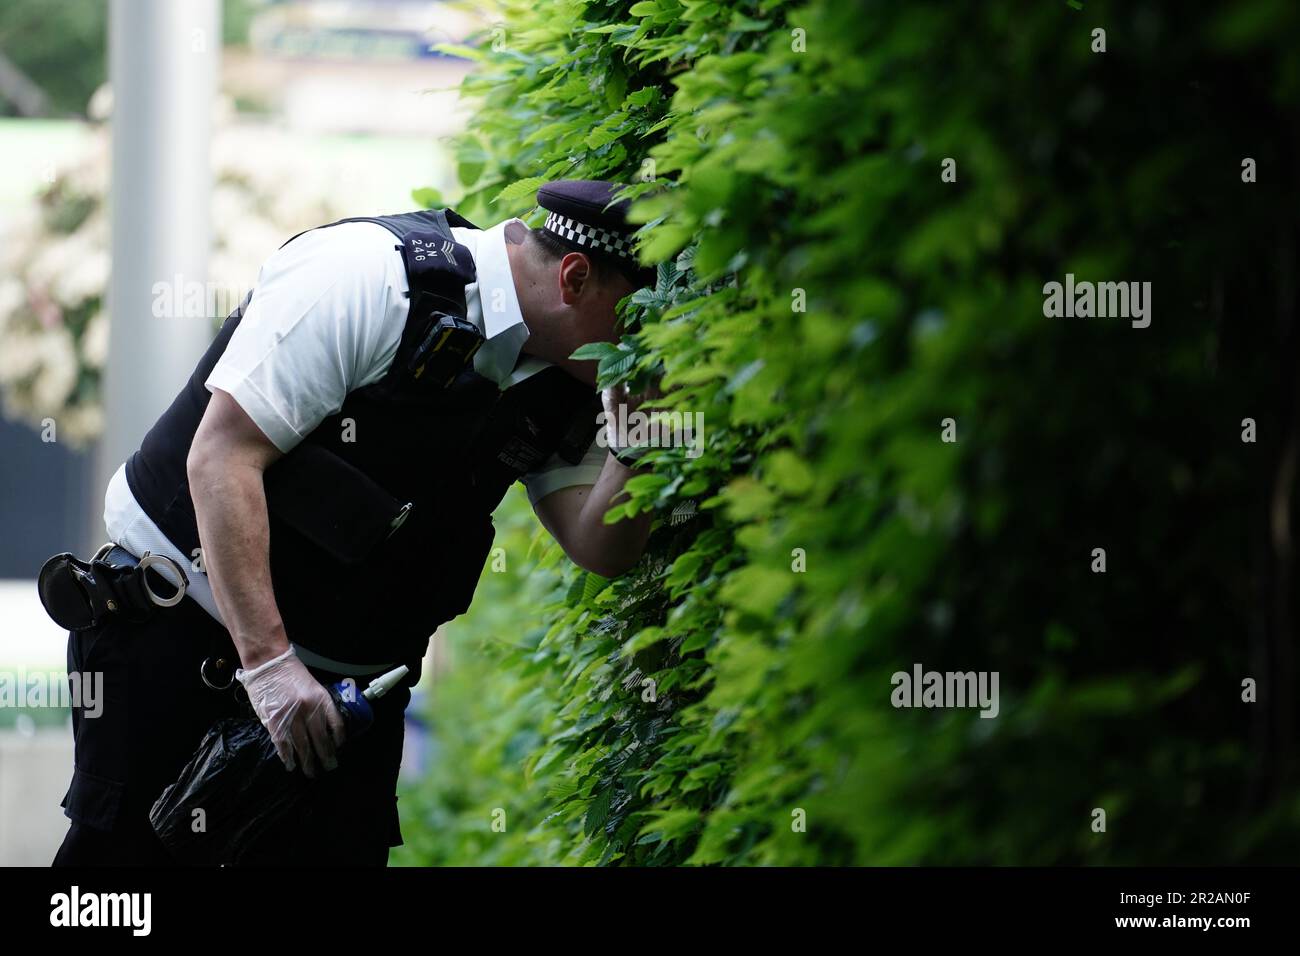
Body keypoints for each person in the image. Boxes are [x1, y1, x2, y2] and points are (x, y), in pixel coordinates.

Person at [51, 180, 657, 865]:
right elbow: (221, 459)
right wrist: (271, 670)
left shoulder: (567, 376)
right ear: (575, 277)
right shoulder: (367, 275)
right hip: (188, 642)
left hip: (351, 706)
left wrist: (641, 441)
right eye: (634, 320)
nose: (642, 346)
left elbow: (599, 545)